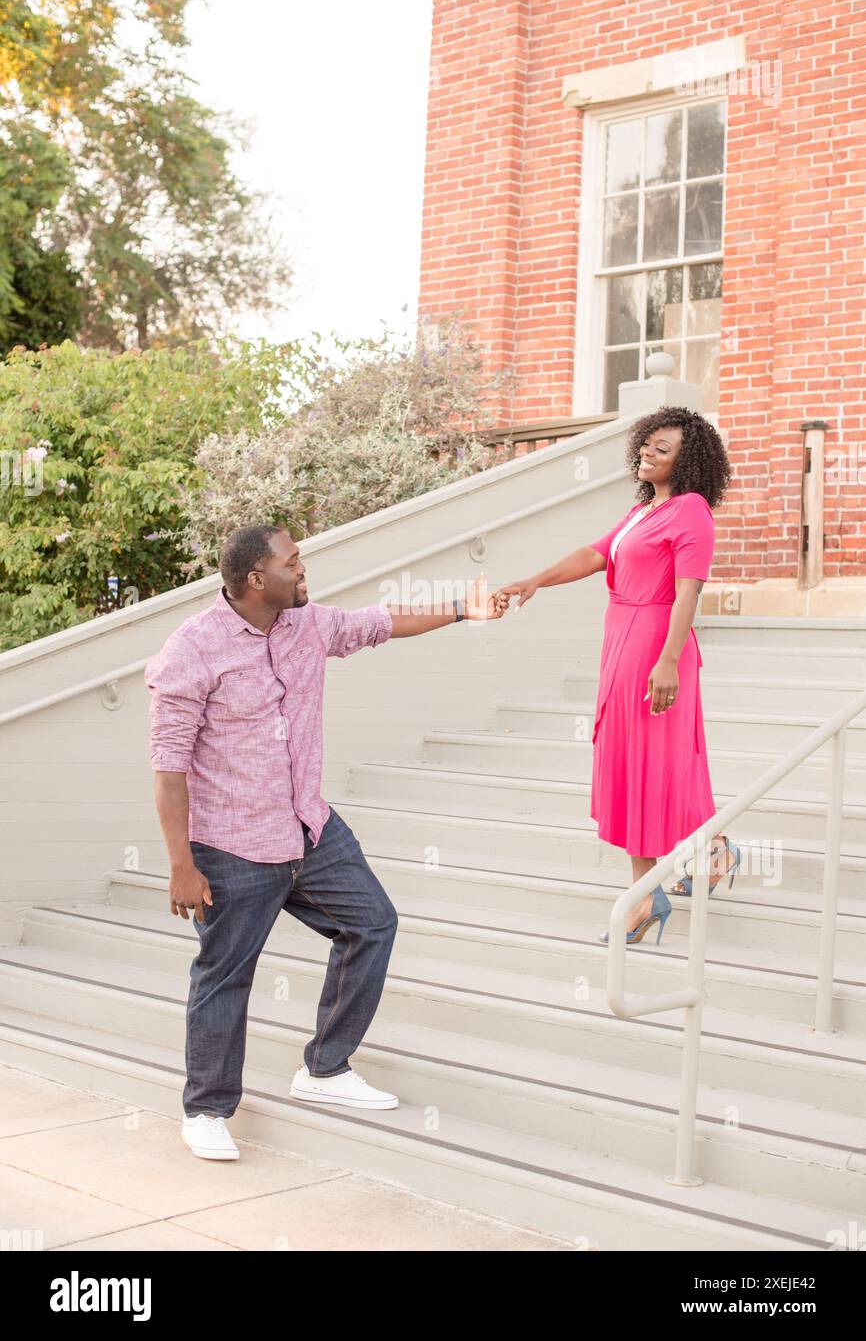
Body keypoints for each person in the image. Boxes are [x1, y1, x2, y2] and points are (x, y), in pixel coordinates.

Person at [144, 524, 507, 1160]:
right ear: (258, 579)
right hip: (232, 845)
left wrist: (461, 609)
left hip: (310, 829)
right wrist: (181, 864)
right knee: (225, 976)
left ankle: (325, 1069)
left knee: (374, 923)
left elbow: (382, 622)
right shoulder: (191, 650)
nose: (303, 569)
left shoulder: (307, 626)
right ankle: (206, 1109)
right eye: (294, 562)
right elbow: (170, 769)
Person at [498, 405, 739, 945]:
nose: (647, 454)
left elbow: (688, 592)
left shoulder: (691, 510)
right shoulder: (641, 512)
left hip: (657, 645)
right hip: (621, 643)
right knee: (637, 764)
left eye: (663, 449)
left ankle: (646, 894)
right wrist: (534, 580)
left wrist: (670, 659)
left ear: (687, 461)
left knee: (656, 764)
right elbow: (593, 556)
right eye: (646, 445)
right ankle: (710, 851)